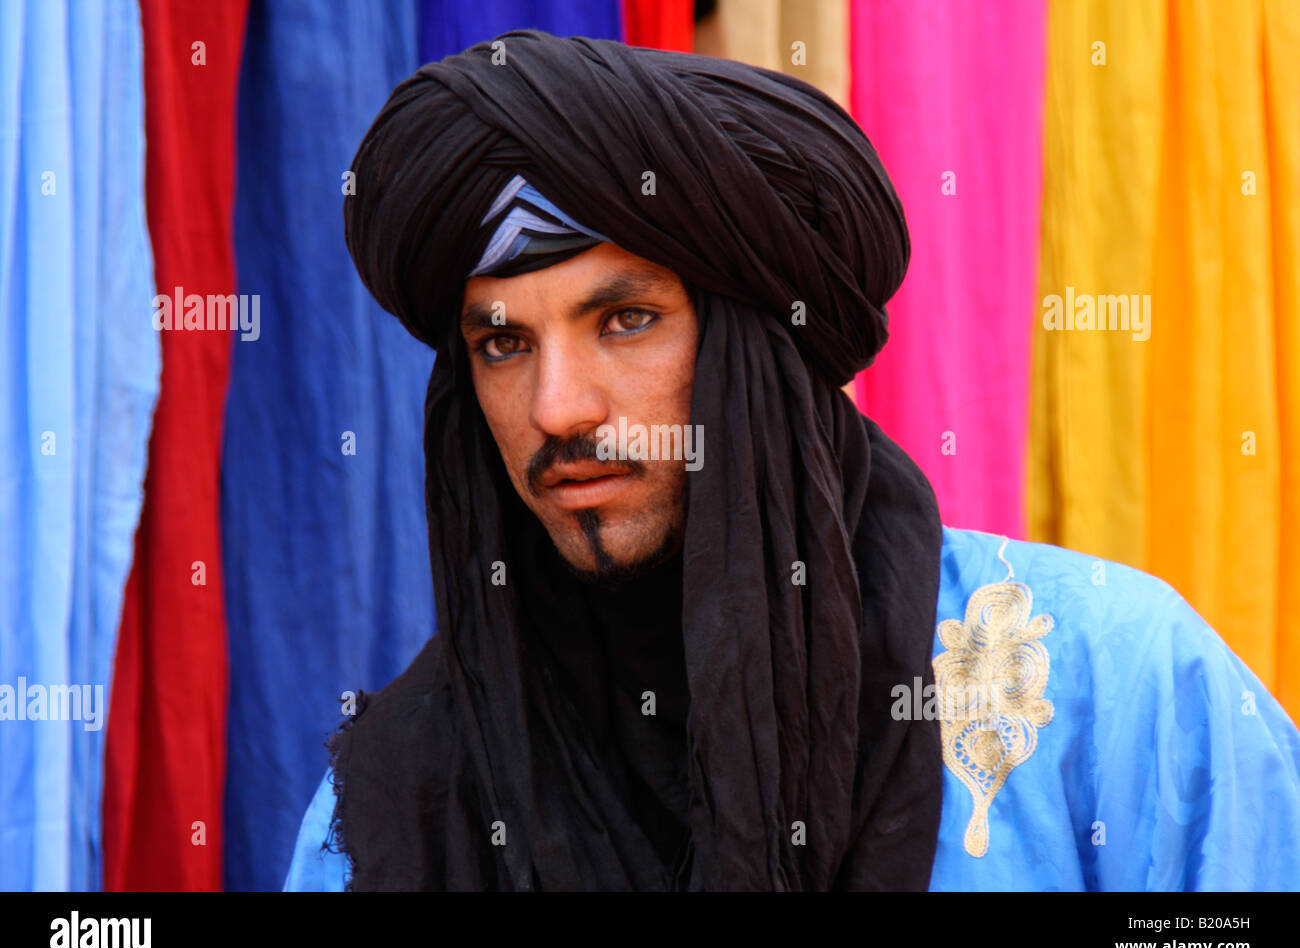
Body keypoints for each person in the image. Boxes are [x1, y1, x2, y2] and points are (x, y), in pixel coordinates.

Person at [284, 29, 1300, 891]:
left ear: (757, 354)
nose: (557, 408)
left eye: (627, 320)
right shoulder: (392, 795)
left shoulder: (1110, 684)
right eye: (502, 343)